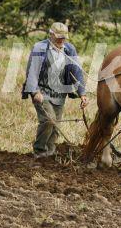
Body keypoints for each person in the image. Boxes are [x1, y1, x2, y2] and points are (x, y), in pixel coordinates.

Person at [22, 22, 88, 158]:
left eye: (63, 37)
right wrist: (35, 92)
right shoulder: (40, 48)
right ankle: (39, 150)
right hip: (42, 92)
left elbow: (77, 72)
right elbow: (32, 72)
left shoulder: (69, 50)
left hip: (60, 94)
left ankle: (50, 152)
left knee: (56, 125)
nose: (61, 40)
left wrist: (82, 93)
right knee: (49, 120)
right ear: (51, 34)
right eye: (58, 37)